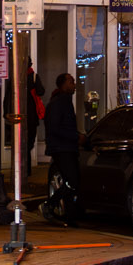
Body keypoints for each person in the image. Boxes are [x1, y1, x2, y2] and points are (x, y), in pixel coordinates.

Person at [44, 73, 82, 224]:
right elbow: (55, 127)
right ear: (64, 84)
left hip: (66, 147)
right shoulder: (60, 102)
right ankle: (50, 204)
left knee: (71, 181)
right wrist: (75, 137)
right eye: (71, 82)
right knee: (72, 180)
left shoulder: (63, 101)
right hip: (62, 148)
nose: (74, 85)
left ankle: (70, 215)